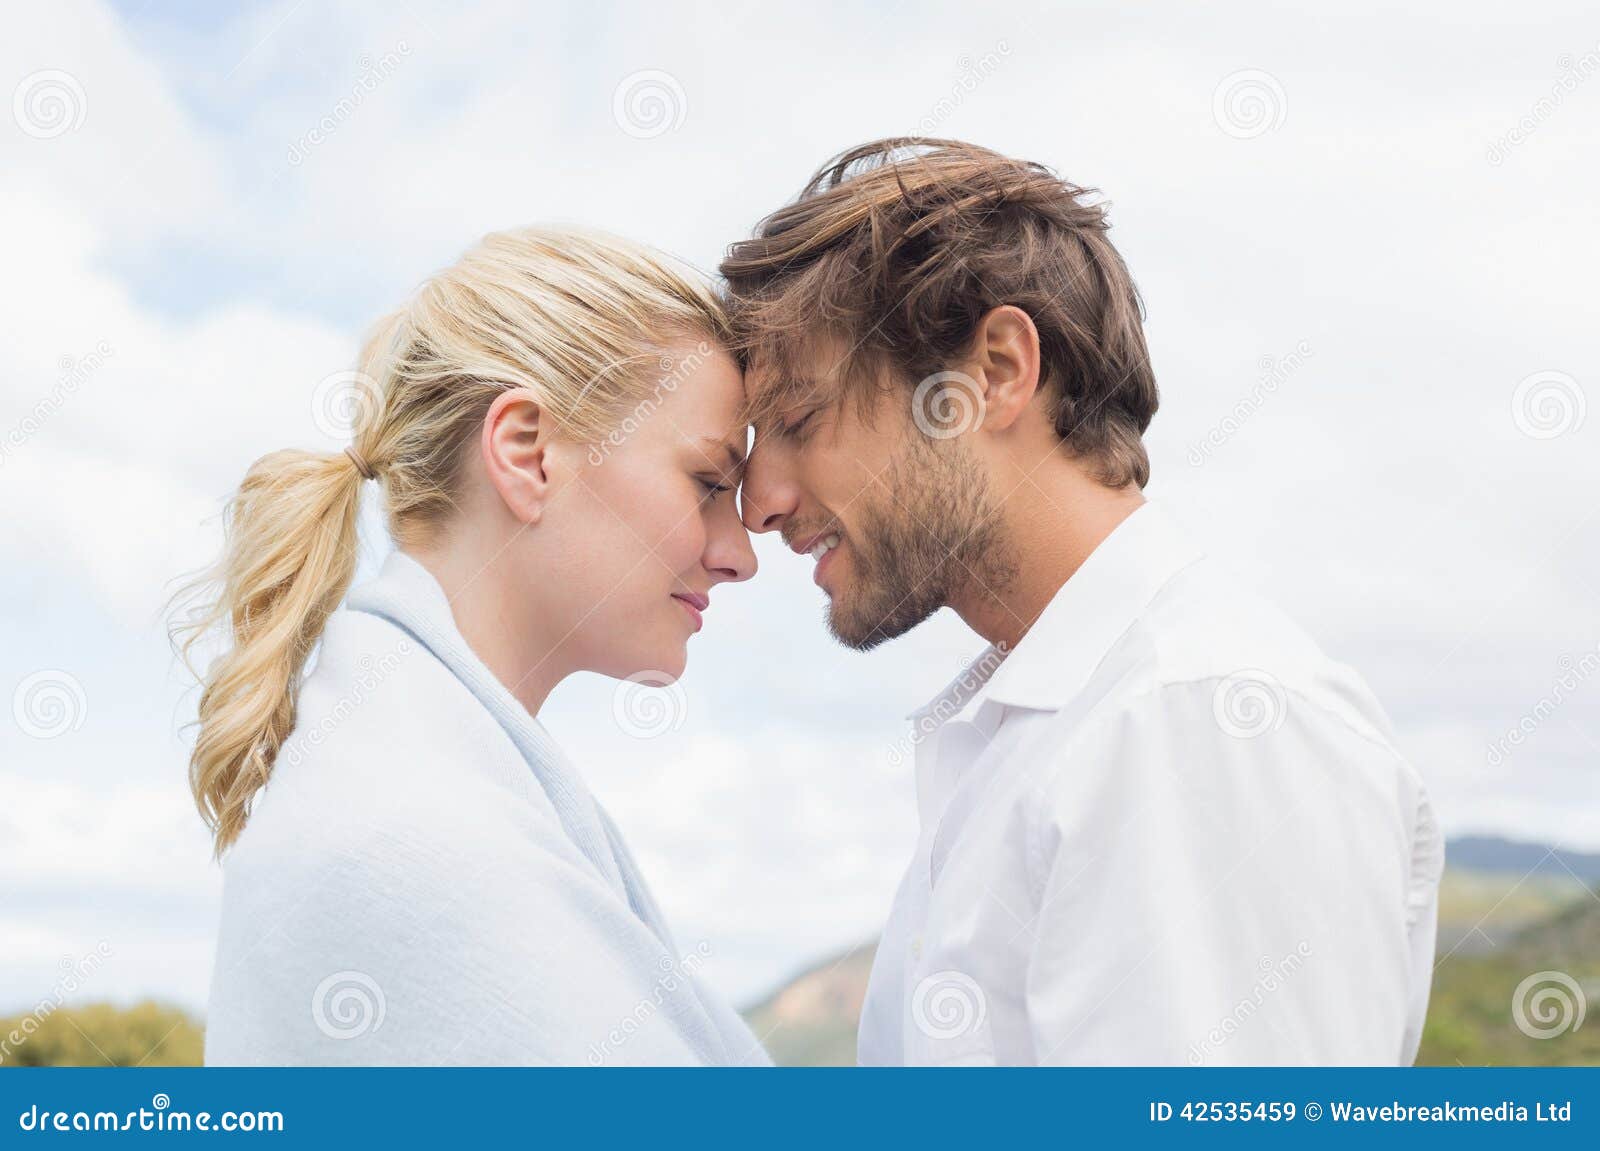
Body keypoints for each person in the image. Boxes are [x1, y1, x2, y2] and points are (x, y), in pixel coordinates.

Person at [721, 138, 1443, 1065]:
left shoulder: (1191, 719)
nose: (761, 501)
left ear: (994, 371)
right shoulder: (1055, 730)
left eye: (797, 421)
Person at [173, 226, 767, 1065]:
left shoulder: (423, 777)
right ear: (526, 453)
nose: (738, 552)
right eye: (708, 483)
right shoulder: (413, 831)